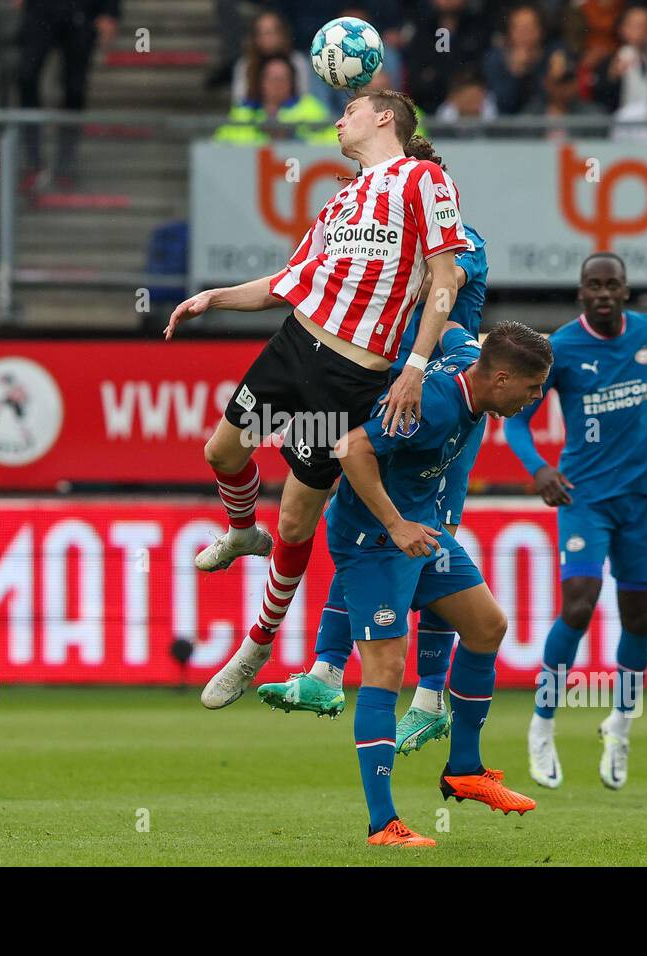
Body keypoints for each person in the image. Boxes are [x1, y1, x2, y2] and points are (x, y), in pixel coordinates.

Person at [167, 91, 468, 712]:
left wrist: (413, 367)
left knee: (299, 520)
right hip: (295, 344)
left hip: (348, 376)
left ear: (385, 118)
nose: (339, 119)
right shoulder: (341, 200)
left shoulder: (423, 180)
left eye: (351, 110)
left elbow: (447, 277)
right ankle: (242, 532)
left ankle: (257, 644)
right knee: (221, 451)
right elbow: (287, 282)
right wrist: (212, 298)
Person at [272, 320, 552, 846]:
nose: (535, 399)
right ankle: (384, 824)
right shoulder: (436, 406)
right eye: (532, 388)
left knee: (488, 626)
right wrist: (395, 523)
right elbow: (352, 447)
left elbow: (449, 326)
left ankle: (464, 770)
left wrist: (422, 353)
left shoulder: (470, 359)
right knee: (385, 669)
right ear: (501, 379)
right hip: (376, 542)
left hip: (422, 535)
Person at [258, 169, 488, 757]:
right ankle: (327, 673)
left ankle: (431, 699)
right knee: (358, 527)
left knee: (435, 538)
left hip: (439, 396)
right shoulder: (369, 233)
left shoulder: (458, 241)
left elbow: (448, 280)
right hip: (387, 397)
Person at [505, 253, 647, 792]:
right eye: (593, 285)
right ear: (581, 293)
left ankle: (621, 724)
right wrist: (538, 469)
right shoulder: (560, 348)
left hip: (640, 499)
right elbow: (518, 421)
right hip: (584, 498)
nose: (603, 293)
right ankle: (542, 724)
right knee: (579, 604)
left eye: (612, 284)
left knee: (638, 617)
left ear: (626, 290)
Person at [17, 0, 120, 187]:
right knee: (27, 76)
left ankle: (66, 163)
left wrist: (110, 12)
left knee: (75, 89)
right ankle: (32, 161)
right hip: (40, 11)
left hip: (82, 12)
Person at [214, 54, 338, 144]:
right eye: (272, 79)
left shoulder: (310, 107)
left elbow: (333, 140)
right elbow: (218, 146)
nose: (277, 84)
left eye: (283, 78)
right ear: (261, 82)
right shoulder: (242, 112)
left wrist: (296, 139)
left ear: (292, 83)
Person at [229, 9, 314, 106]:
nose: (268, 38)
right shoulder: (244, 65)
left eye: (272, 32)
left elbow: (304, 99)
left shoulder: (298, 62)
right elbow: (239, 102)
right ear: (255, 37)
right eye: (262, 33)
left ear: (282, 34)